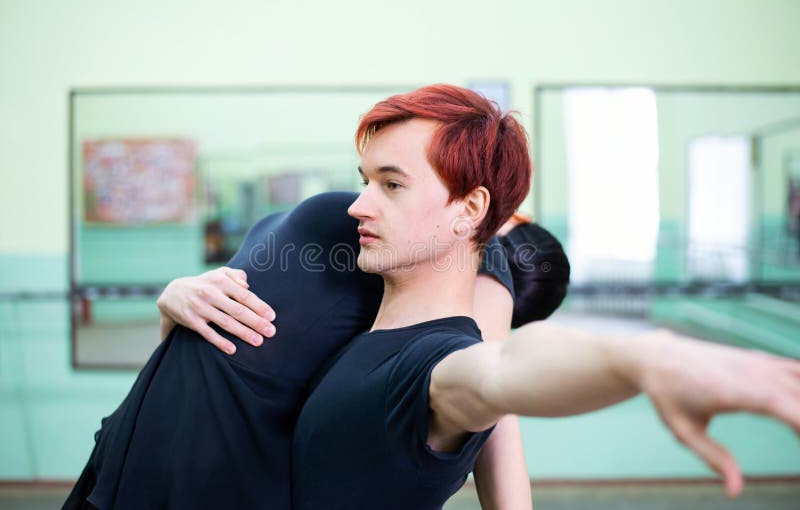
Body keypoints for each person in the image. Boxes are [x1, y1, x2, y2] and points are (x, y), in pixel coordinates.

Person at [276, 85, 800, 509]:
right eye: (365, 180)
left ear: (470, 209)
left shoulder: (435, 362)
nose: (358, 206)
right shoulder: (369, 332)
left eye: (392, 185)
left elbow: (502, 371)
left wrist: (644, 356)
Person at [64, 188, 567, 507]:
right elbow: (204, 355)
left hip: (192, 477)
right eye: (375, 179)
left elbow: (494, 384)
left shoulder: (484, 261)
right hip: (128, 455)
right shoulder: (379, 246)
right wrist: (174, 300)